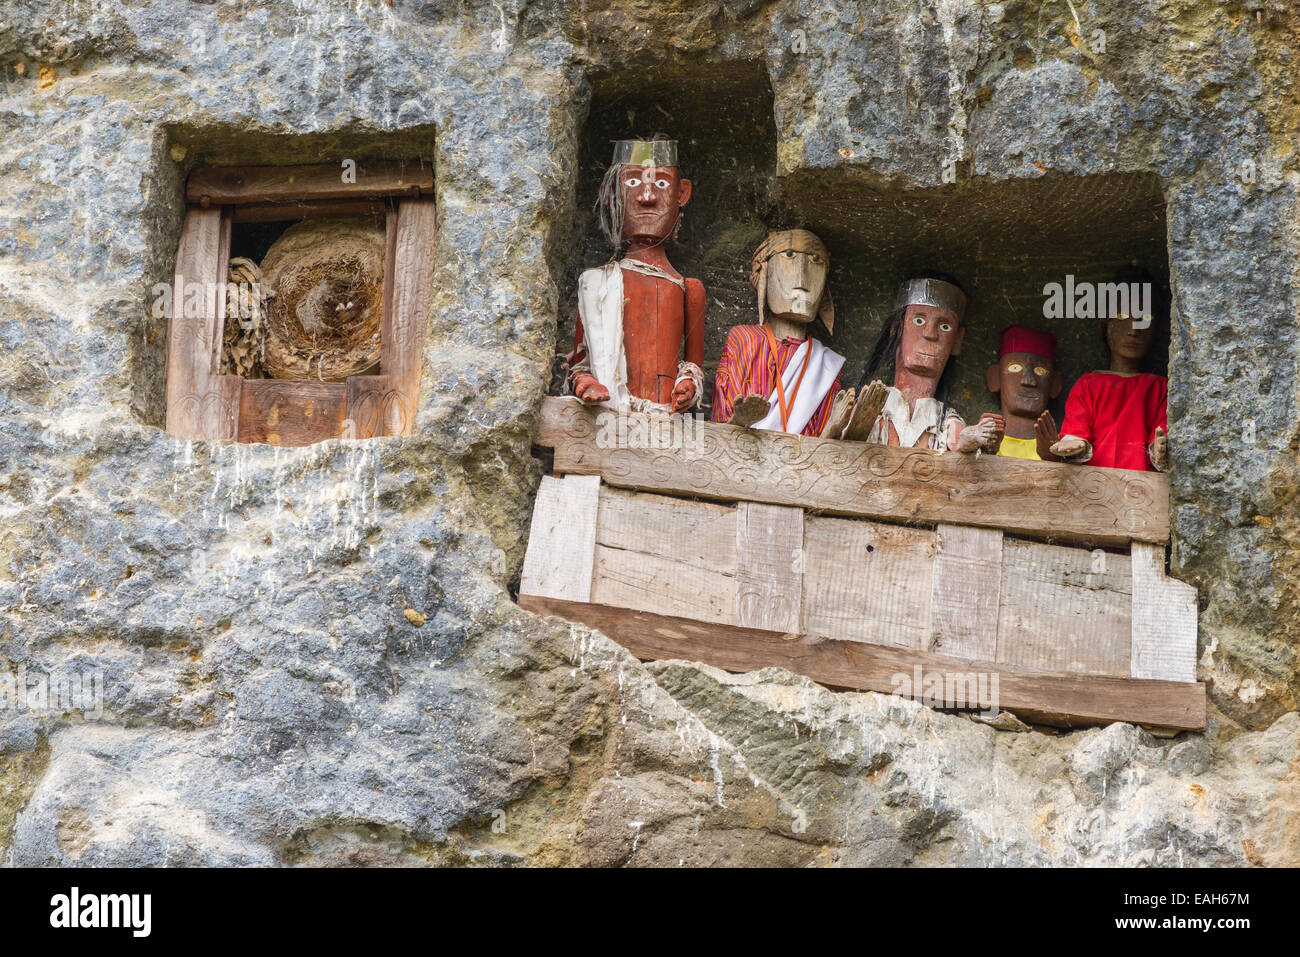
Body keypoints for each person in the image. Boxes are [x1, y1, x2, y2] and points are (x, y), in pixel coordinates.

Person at [568, 138, 705, 413]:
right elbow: (579, 365)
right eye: (632, 183)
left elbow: (694, 367)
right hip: (608, 418)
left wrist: (689, 385)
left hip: (664, 422)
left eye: (662, 184)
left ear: (682, 193)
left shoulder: (688, 288)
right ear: (612, 196)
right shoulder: (596, 284)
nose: (647, 197)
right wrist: (584, 381)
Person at [711, 229, 846, 436]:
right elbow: (719, 430)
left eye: (816, 261)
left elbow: (824, 441)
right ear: (762, 274)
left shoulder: (826, 365)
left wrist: (840, 428)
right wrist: (740, 420)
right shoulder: (744, 340)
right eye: (789, 256)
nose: (802, 280)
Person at [986, 326, 1061, 460]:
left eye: (1040, 371)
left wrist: (1052, 458)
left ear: (1055, 384)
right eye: (1015, 368)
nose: (1028, 380)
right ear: (995, 377)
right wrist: (985, 451)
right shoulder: (981, 442)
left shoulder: (1064, 448)